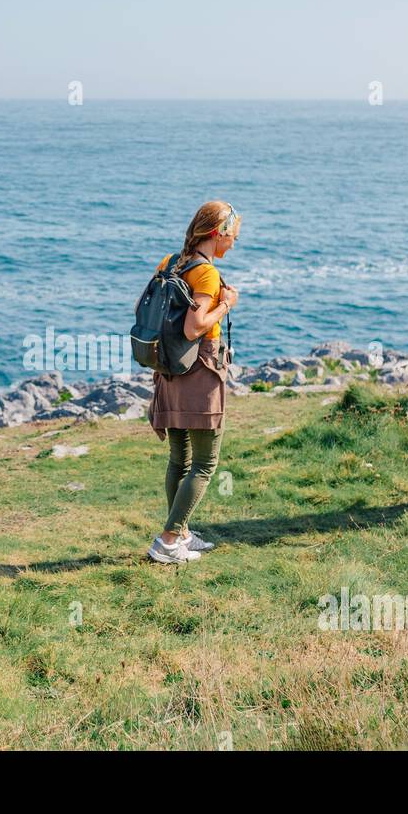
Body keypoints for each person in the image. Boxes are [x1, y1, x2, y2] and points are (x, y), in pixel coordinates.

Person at [145, 201, 241, 563]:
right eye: (232, 236)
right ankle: (168, 540)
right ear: (217, 234)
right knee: (204, 463)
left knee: (179, 460)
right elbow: (193, 326)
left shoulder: (171, 262)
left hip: (170, 367)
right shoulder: (207, 275)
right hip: (199, 371)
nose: (233, 244)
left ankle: (181, 533)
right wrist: (226, 303)